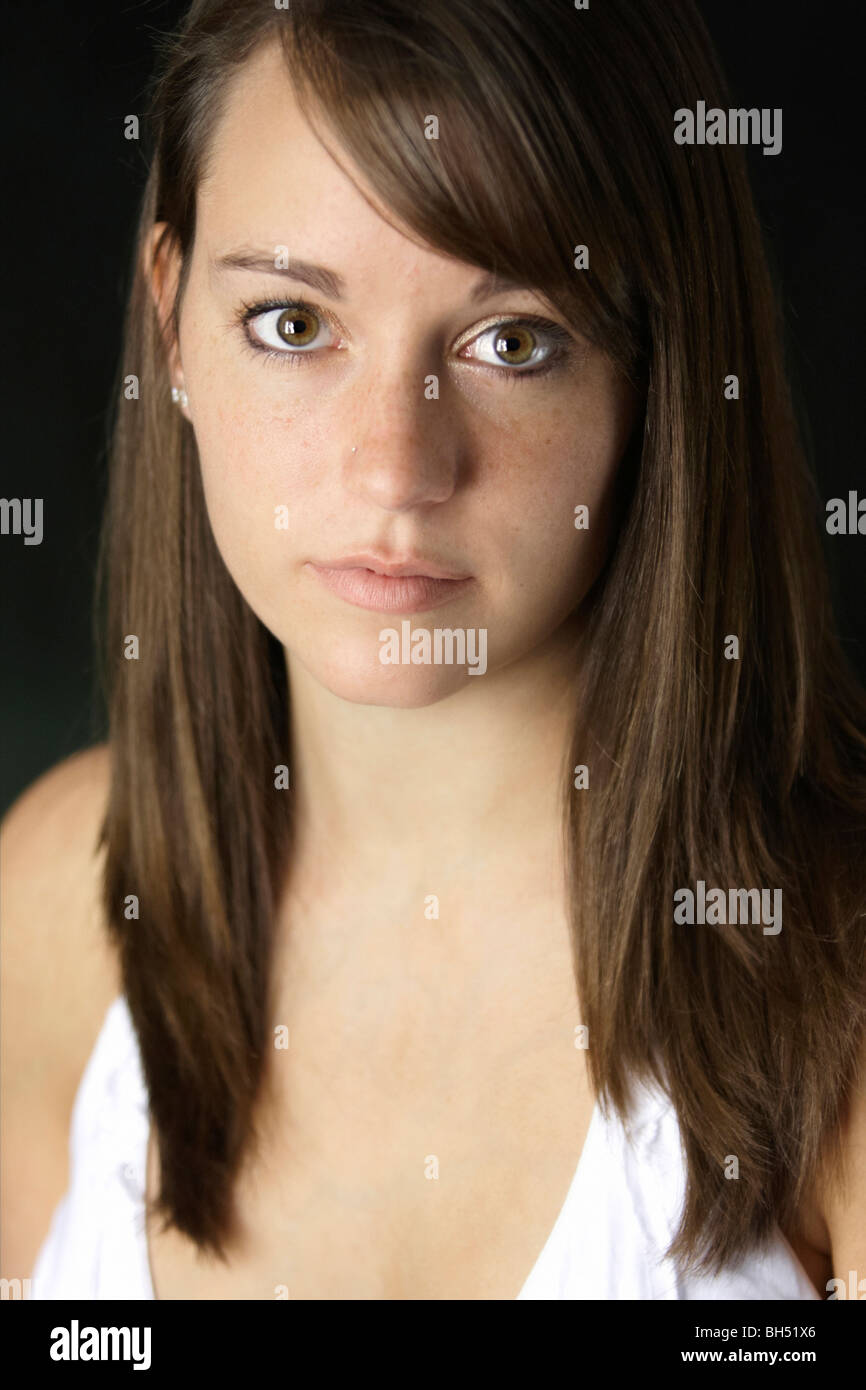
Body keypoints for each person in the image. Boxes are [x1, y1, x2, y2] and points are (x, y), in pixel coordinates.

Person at [2, 0, 864, 1300]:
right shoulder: (61, 896)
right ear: (171, 318)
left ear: (655, 369)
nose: (396, 468)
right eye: (294, 323)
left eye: (511, 342)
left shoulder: (831, 991)